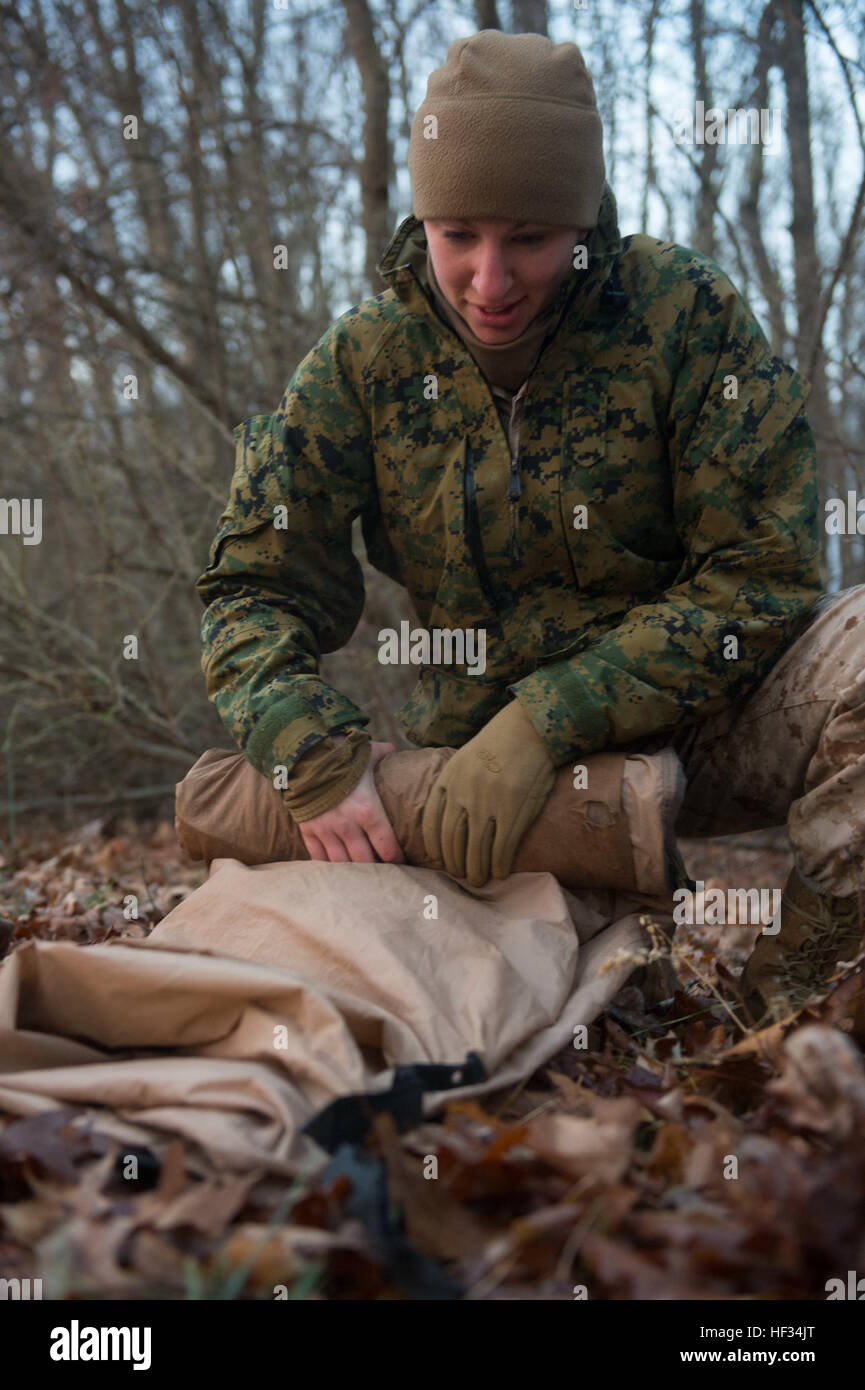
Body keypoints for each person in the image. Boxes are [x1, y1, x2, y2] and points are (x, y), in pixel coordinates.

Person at [193, 30, 865, 1022]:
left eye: (529, 240)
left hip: (713, 716)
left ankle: (789, 1023)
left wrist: (552, 713)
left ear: (583, 219)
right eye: (456, 233)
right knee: (488, 1018)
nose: (489, 282)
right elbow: (251, 586)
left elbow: (761, 579)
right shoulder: (363, 365)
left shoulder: (686, 317)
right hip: (489, 787)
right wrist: (311, 752)